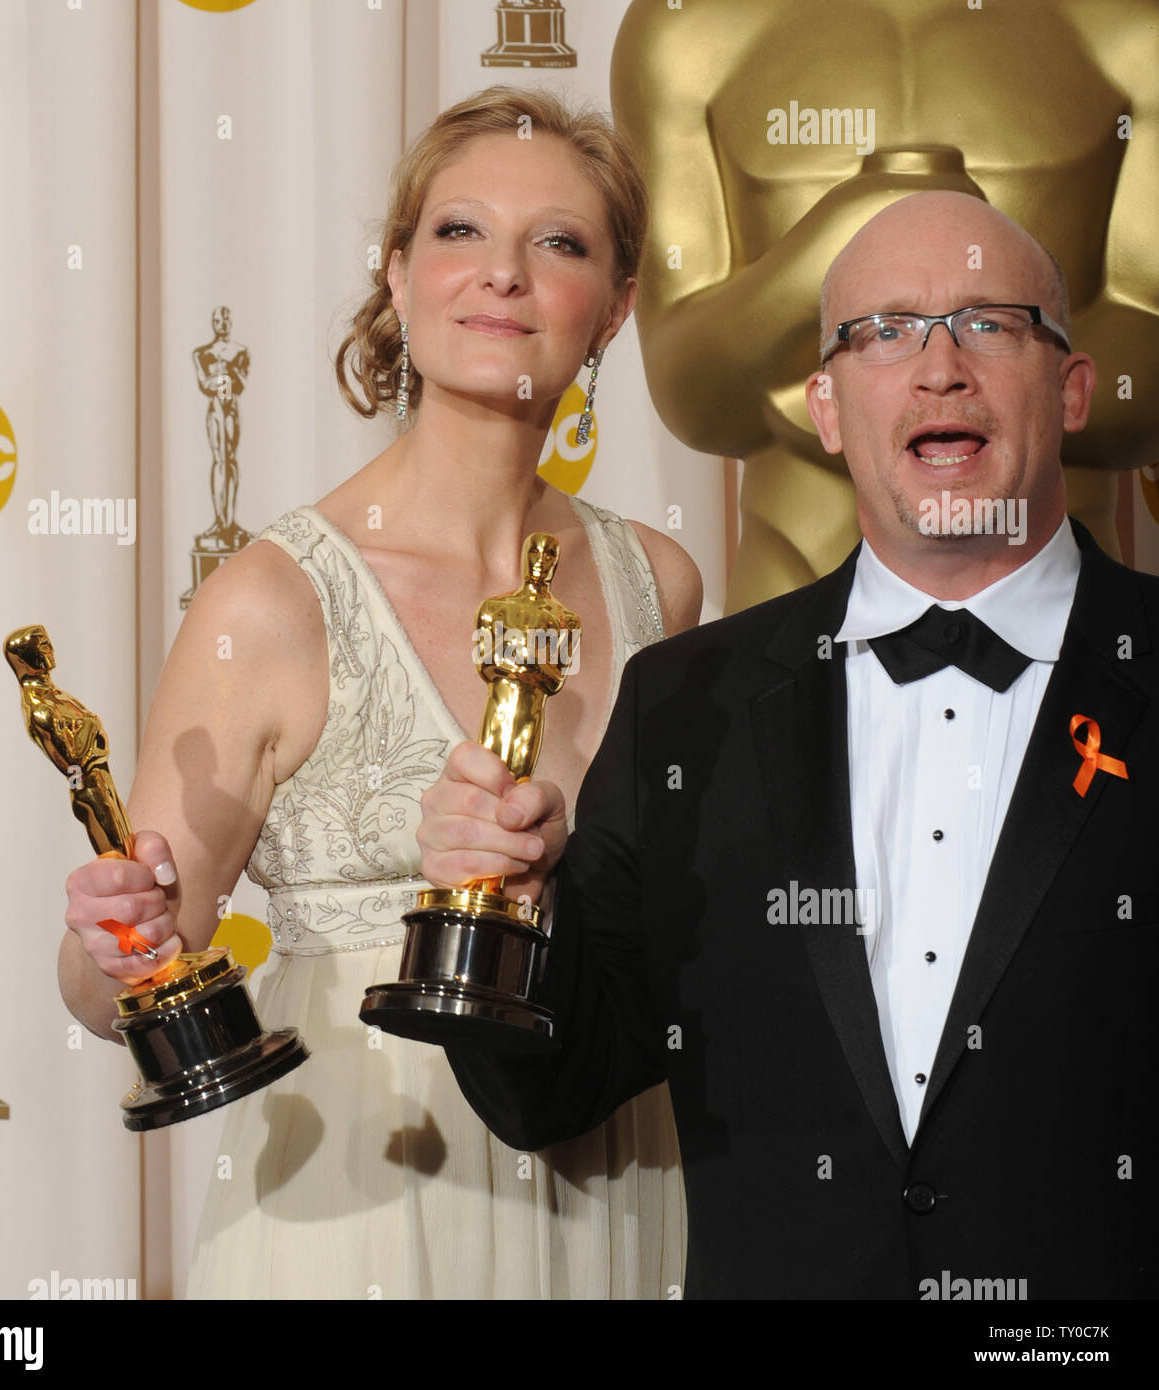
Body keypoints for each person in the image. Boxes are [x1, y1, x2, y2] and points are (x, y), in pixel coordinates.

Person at [421, 190, 1158, 1299]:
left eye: (988, 322)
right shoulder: (685, 703)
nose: (937, 367)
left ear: (1069, 388)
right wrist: (497, 906)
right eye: (883, 333)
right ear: (822, 404)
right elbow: (555, 1088)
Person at [58, 85, 701, 1299]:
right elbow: (119, 982)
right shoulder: (269, 600)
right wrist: (112, 938)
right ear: (398, 277)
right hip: (362, 1210)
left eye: (556, 243)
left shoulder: (659, 580)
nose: (502, 275)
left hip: (617, 1180)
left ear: (614, 309)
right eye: (459, 232)